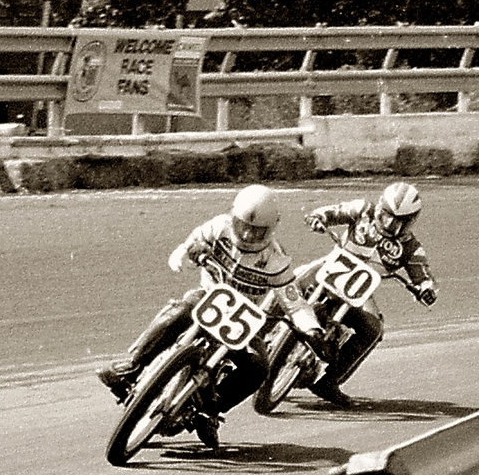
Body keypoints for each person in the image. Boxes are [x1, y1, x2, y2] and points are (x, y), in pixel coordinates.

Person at [96, 184, 325, 445]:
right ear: (234, 217)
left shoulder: (277, 259)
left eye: (258, 230)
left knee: (258, 368)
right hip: (207, 297)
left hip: (243, 322)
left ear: (271, 229)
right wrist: (191, 253)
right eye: (243, 226)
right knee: (180, 309)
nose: (249, 234)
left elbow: (293, 302)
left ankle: (210, 412)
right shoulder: (219, 226)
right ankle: (131, 367)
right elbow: (189, 245)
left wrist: (312, 329)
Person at [297, 181, 439, 407]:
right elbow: (335, 211)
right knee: (290, 282)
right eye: (387, 215)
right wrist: (319, 217)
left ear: (411, 221)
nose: (391, 223)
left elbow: (423, 274)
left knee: (374, 329)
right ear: (380, 206)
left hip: (359, 293)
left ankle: (329, 381)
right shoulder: (362, 209)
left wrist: (426, 289)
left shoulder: (412, 248)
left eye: (400, 221)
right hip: (329, 268)